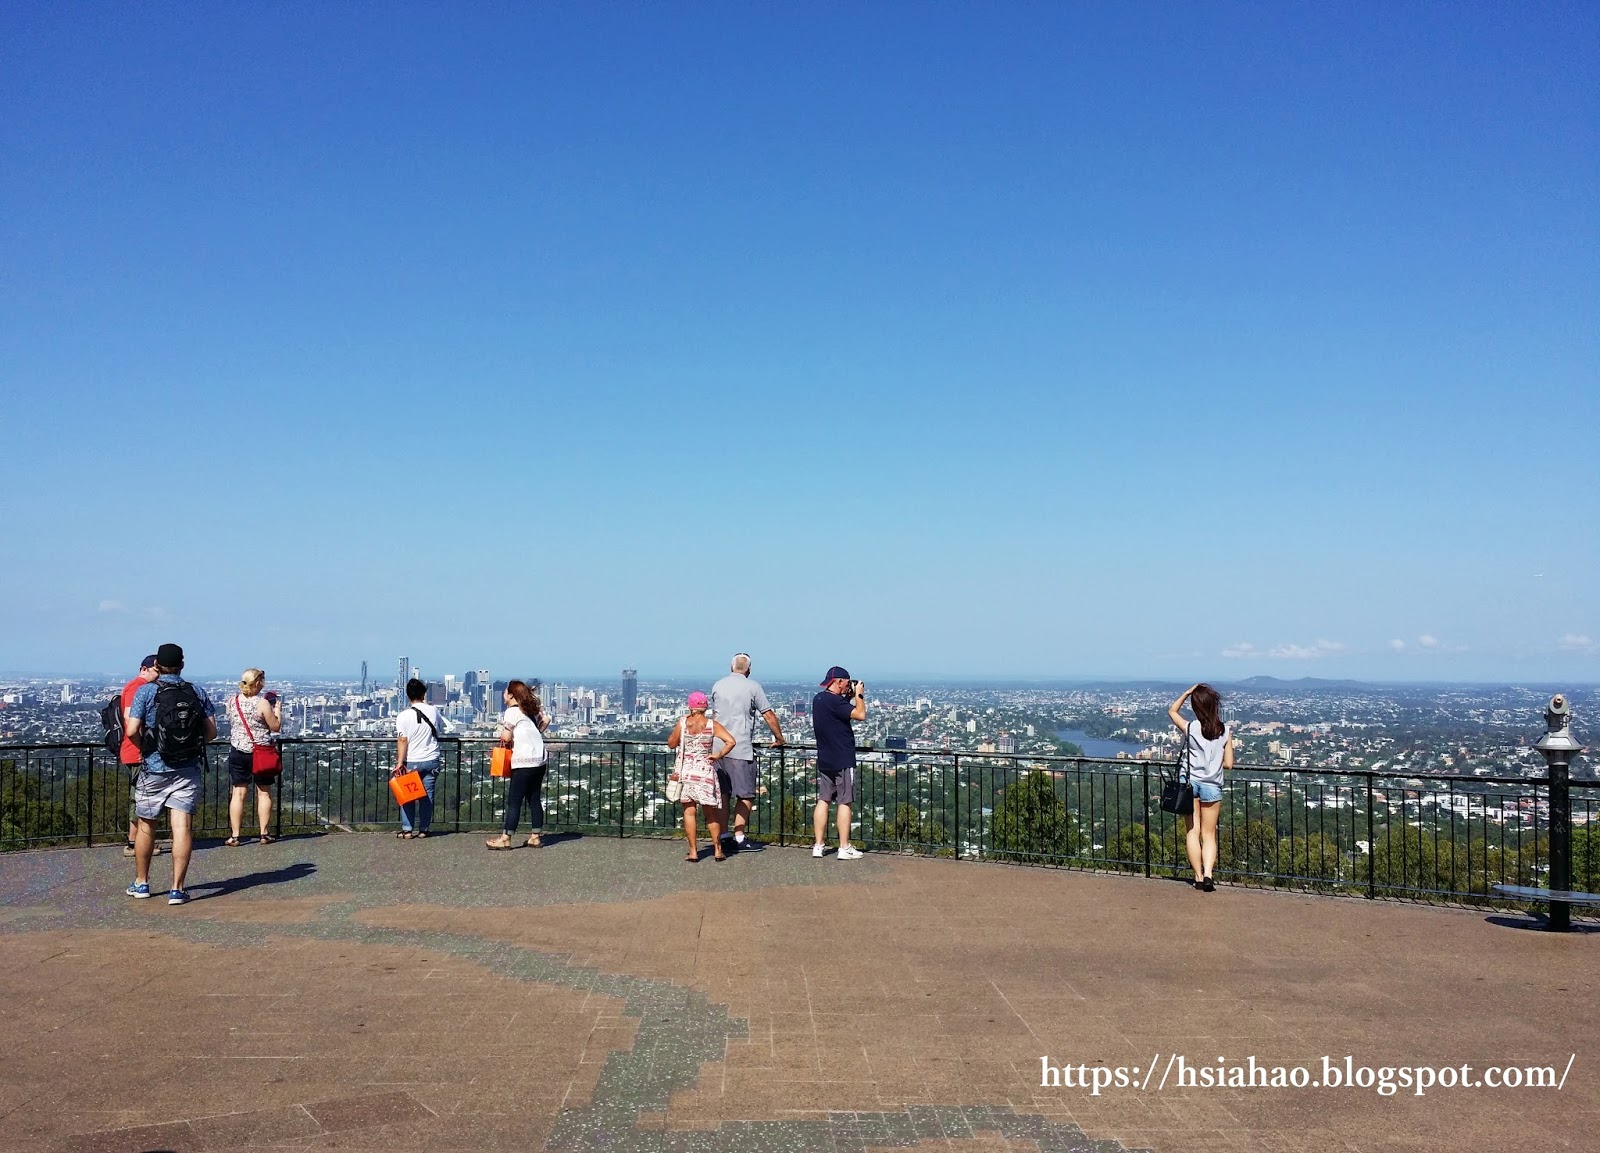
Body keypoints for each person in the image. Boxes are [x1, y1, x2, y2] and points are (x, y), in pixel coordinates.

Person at [123, 643, 216, 905]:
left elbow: (131, 731)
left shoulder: (146, 692)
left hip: (154, 768)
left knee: (146, 825)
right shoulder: (196, 691)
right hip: (187, 769)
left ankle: (142, 883)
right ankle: (177, 888)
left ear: (157, 666)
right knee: (182, 827)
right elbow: (212, 732)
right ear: (182, 665)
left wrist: (147, 750)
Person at [709, 653, 784, 852]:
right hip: (740, 747)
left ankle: (723, 835)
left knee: (723, 794)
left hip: (717, 747)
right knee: (745, 795)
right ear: (749, 670)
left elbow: (715, 715)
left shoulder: (718, 685)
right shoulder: (753, 687)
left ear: (730, 667)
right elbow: (767, 714)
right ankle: (739, 836)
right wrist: (779, 738)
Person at [1168, 683, 1233, 892]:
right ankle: (1208, 875)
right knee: (1209, 834)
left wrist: (1186, 693)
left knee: (1192, 832)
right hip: (1213, 785)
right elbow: (1229, 764)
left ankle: (1196, 876)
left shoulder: (1192, 728)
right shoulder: (1225, 731)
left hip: (1190, 784)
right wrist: (1214, 764)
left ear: (1196, 706)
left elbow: (1172, 711)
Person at [665, 691, 735, 862]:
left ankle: (694, 852)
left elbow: (672, 744)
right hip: (705, 772)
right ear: (705, 707)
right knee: (711, 814)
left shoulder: (683, 723)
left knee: (689, 812)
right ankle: (718, 850)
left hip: (686, 772)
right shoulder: (712, 725)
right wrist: (718, 755)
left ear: (690, 706)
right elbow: (731, 741)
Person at [811, 667, 866, 860]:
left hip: (825, 758)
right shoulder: (835, 702)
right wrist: (859, 695)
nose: (847, 685)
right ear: (839, 681)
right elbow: (860, 715)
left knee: (823, 800)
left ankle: (818, 845)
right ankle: (844, 847)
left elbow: (837, 710)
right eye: (846, 682)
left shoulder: (819, 699)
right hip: (842, 757)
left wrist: (848, 697)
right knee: (845, 801)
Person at [486, 680, 549, 850]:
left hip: (523, 761)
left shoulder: (512, 712)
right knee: (534, 798)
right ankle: (536, 836)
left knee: (514, 801)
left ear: (511, 695)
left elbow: (506, 738)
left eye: (506, 692)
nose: (503, 695)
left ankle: (506, 838)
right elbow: (544, 723)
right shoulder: (529, 711)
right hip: (540, 760)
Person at [225, 669, 282, 845]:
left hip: (238, 750)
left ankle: (235, 835)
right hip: (261, 752)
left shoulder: (232, 701)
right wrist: (277, 710)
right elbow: (275, 727)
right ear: (257, 683)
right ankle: (264, 833)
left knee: (238, 793)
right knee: (263, 793)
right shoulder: (262, 703)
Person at [393, 678, 448, 839]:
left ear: (408, 696)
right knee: (427, 796)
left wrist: (400, 763)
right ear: (424, 694)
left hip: (413, 760)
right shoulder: (434, 711)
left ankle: (407, 829)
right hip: (432, 758)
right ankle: (424, 829)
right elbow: (439, 729)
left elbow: (403, 740)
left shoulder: (403, 716)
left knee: (408, 795)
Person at [119, 655, 161, 857]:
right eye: (156, 671)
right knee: (141, 798)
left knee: (141, 797)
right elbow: (130, 720)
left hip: (135, 750)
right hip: (137, 751)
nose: (158, 676)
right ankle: (135, 843)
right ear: (145, 669)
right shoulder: (137, 687)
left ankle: (136, 841)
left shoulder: (135, 686)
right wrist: (143, 744)